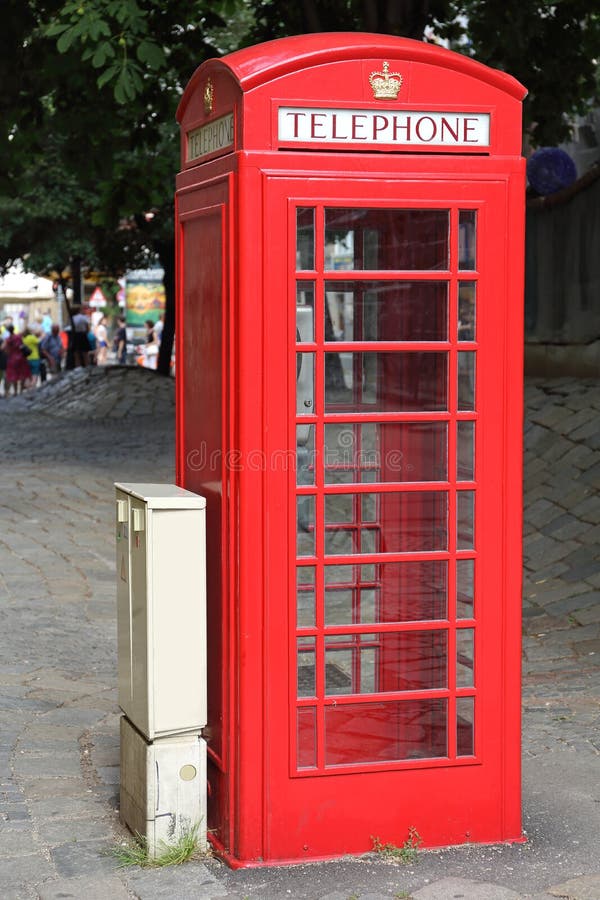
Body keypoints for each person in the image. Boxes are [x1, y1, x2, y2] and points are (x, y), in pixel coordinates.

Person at [1, 325, 31, 395]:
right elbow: (22, 344)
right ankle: (21, 390)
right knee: (22, 373)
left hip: (12, 359)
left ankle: (15, 391)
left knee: (14, 375)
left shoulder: (8, 339)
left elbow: (2, 348)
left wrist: (7, 351)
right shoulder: (18, 337)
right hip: (21, 357)